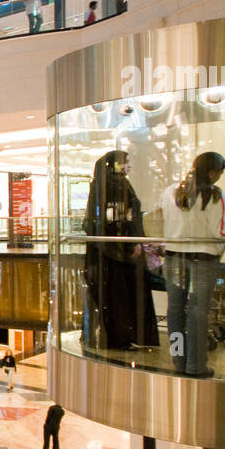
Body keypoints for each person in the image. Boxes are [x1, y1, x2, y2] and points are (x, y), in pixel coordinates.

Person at [158, 151, 225, 377]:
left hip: (173, 255)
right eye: (219, 172)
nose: (219, 177)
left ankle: (178, 360)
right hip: (203, 257)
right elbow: (221, 232)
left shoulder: (171, 191)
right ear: (211, 172)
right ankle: (196, 365)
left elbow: (156, 216)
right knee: (198, 312)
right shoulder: (214, 195)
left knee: (175, 311)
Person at [82, 150, 158, 350]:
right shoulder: (116, 186)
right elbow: (121, 218)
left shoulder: (100, 186)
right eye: (125, 163)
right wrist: (132, 243)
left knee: (114, 298)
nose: (128, 166)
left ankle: (119, 338)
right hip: (119, 254)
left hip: (108, 253)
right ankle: (123, 339)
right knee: (121, 297)